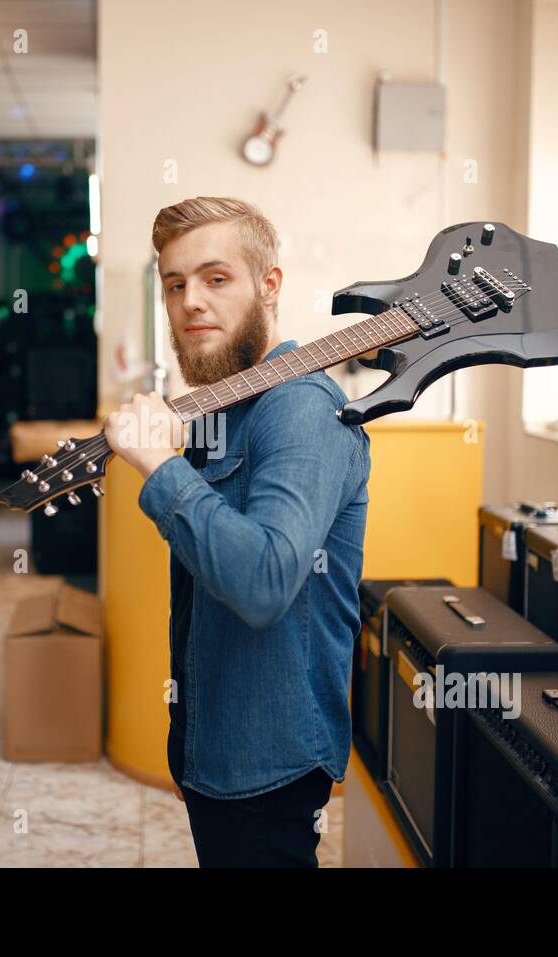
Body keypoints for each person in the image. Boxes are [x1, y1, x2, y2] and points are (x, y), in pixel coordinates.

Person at [103, 197, 371, 867]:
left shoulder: (301, 408)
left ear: (269, 285)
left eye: (216, 278)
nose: (192, 300)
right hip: (215, 744)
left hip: (270, 760)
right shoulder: (229, 405)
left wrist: (160, 467)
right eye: (176, 283)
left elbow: (262, 581)